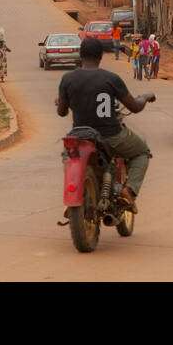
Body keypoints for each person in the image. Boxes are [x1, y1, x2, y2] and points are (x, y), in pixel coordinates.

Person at [55, 37, 155, 213]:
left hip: (80, 137)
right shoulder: (111, 79)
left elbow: (62, 112)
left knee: (68, 157)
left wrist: (63, 102)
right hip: (110, 135)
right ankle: (129, 190)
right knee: (142, 152)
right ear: (101, 56)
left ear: (80, 54)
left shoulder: (67, 79)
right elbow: (135, 107)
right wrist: (145, 96)